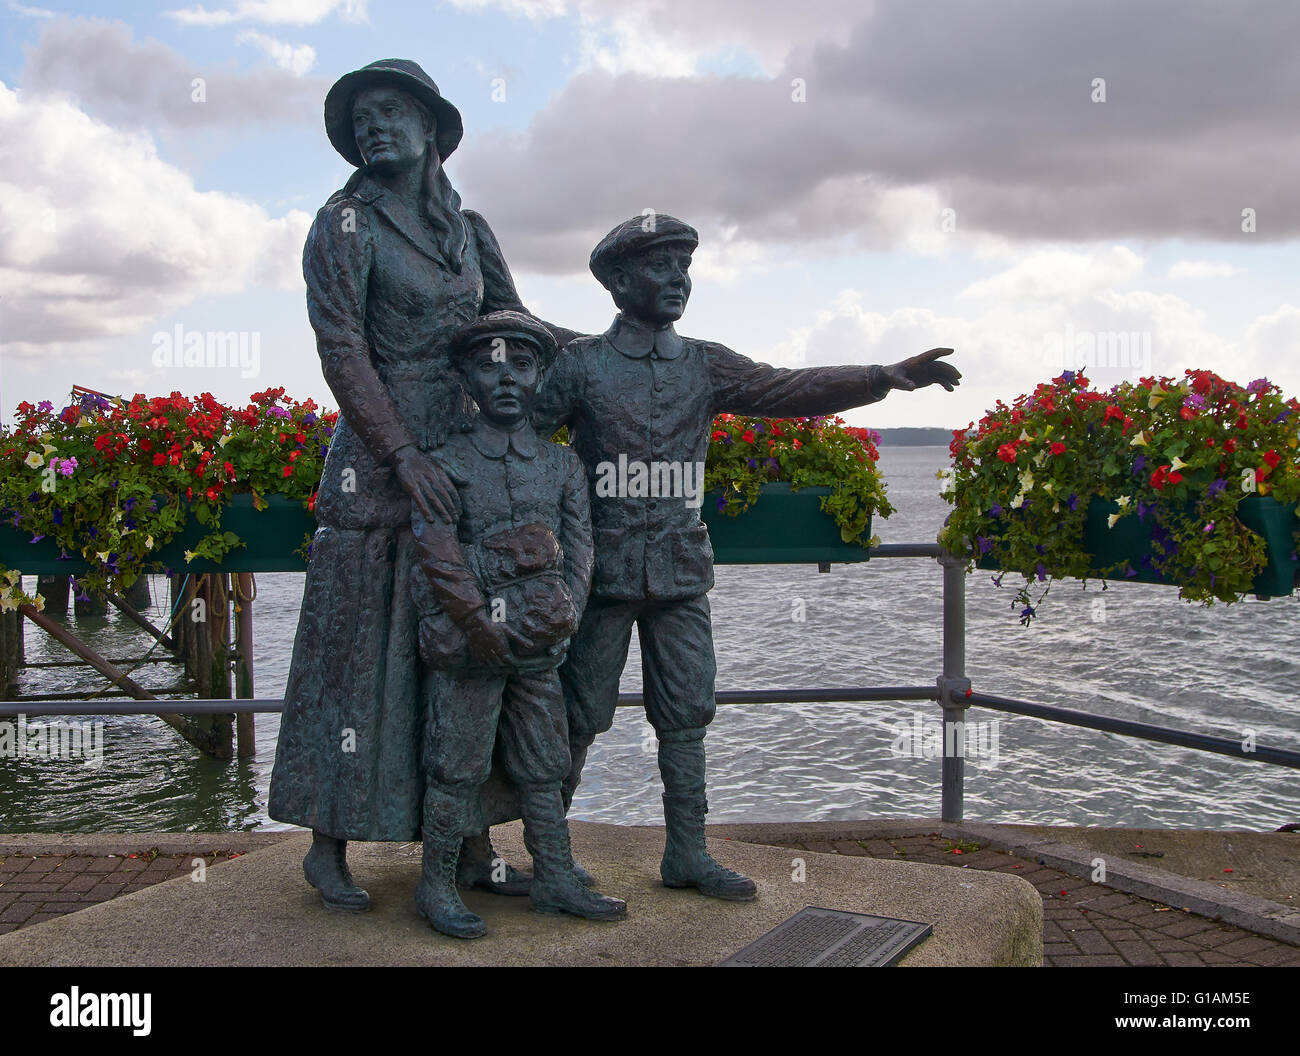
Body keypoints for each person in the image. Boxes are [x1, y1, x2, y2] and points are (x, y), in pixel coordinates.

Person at [531, 214, 961, 901]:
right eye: (659, 266)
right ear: (617, 281)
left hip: (679, 575)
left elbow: (787, 389)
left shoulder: (704, 364)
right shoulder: (579, 366)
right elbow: (525, 444)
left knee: (687, 712)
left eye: (684, 267)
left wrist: (882, 375)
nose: (676, 280)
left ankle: (688, 854)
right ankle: (550, 862)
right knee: (577, 713)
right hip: (597, 578)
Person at [268, 60, 561, 910]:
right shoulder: (344, 225)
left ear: (432, 127)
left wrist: (620, 353)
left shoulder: (470, 229)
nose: (374, 127)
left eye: (392, 112)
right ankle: (329, 843)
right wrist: (402, 455)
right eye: (362, 118)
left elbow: (518, 330)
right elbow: (343, 350)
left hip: (464, 460)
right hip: (378, 465)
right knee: (357, 654)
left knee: (463, 656)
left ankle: (469, 844)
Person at [407, 310, 626, 938]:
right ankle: (438, 883)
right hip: (469, 647)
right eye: (488, 364)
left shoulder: (560, 467)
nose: (505, 378)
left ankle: (554, 873)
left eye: (522, 364)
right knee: (457, 764)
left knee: (545, 760)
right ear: (465, 377)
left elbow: (581, 551)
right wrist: (478, 620)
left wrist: (566, 619)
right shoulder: (442, 462)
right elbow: (437, 554)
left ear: (540, 375)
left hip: (539, 645)